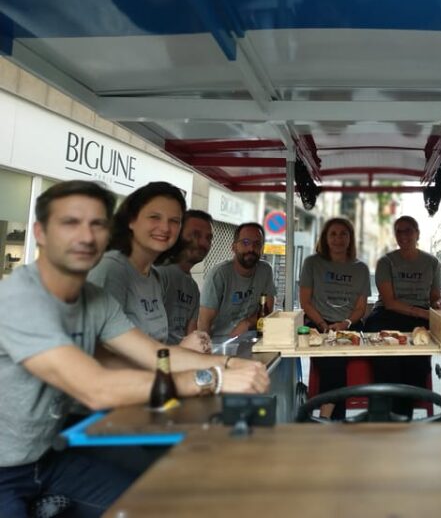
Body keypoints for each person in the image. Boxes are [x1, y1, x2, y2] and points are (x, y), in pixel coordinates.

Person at [0, 181, 269, 518]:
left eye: (97, 224)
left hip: (47, 460)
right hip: (6, 471)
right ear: (40, 232)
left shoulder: (93, 299)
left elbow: (157, 353)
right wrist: (211, 377)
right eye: (70, 223)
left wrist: (229, 363)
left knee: (161, 504)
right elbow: (95, 388)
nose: (86, 236)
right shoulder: (20, 299)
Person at [87, 181, 208, 353]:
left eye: (174, 221)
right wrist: (180, 351)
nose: (165, 228)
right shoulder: (111, 270)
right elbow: (97, 356)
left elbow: (153, 348)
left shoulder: (153, 277)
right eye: (154, 217)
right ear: (131, 220)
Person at [364, 216, 441, 418]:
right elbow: (389, 302)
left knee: (416, 359)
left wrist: (438, 307)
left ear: (418, 234)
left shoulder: (432, 263)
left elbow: (434, 298)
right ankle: (382, 410)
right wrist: (424, 313)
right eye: (399, 231)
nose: (403, 235)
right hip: (388, 314)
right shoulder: (386, 261)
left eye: (408, 230)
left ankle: (402, 413)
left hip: (419, 317)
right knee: (385, 356)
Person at [299, 217, 370, 420]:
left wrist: (344, 324)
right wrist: (323, 324)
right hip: (317, 323)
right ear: (325, 238)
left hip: (349, 325)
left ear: (350, 239)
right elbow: (305, 302)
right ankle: (330, 419)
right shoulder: (312, 263)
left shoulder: (361, 269)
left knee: (336, 355)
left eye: (343, 234)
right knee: (333, 359)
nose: (338, 239)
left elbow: (360, 308)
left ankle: (326, 419)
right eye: (333, 234)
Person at [197, 222, 276, 338]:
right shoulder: (219, 274)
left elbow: (267, 309)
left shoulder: (265, 270)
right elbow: (203, 322)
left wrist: (247, 323)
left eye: (257, 244)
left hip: (252, 339)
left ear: (262, 249)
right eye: (245, 242)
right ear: (233, 247)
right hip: (220, 342)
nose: (251, 248)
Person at [155, 210, 214, 345]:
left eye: (208, 238)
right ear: (177, 235)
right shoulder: (158, 273)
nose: (203, 243)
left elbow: (191, 335)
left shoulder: (192, 287)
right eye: (195, 235)